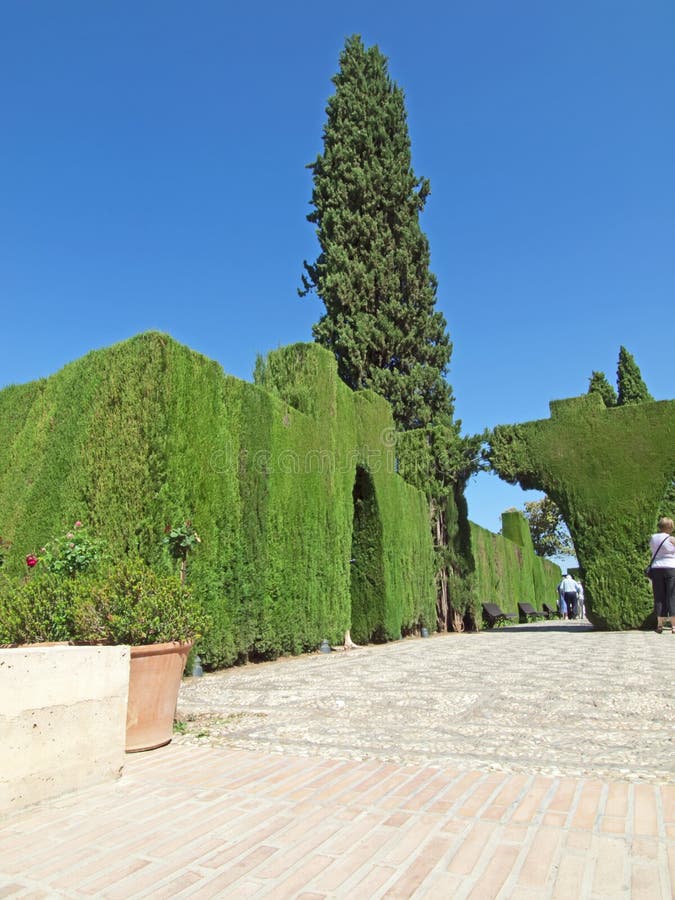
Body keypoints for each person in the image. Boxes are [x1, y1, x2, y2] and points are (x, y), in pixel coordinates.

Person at [649, 516, 675, 634]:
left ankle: (660, 625)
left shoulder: (653, 538)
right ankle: (673, 626)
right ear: (670, 527)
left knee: (659, 597)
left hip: (656, 568)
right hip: (671, 568)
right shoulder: (672, 539)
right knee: (672, 596)